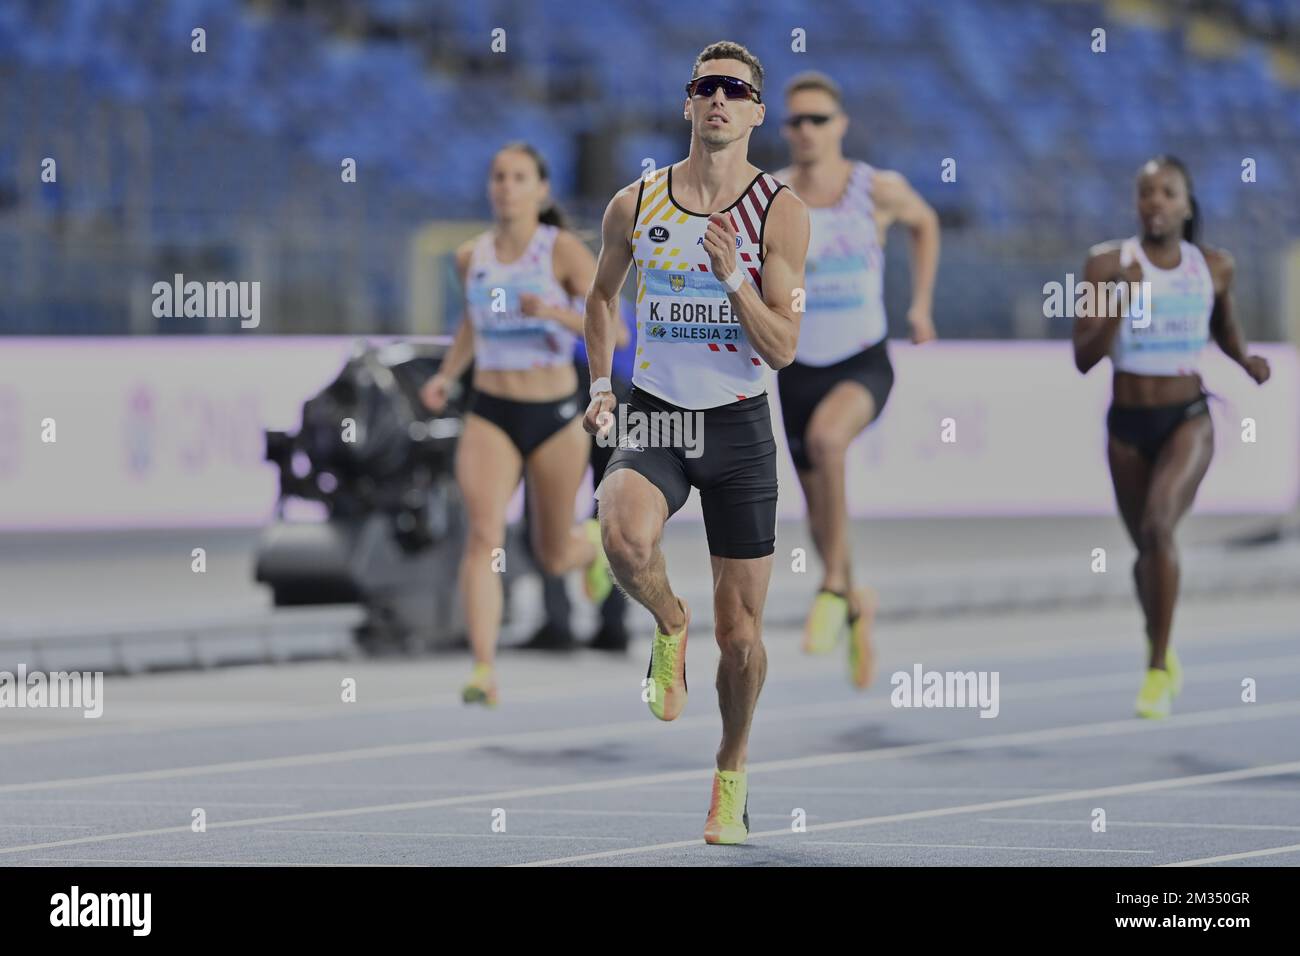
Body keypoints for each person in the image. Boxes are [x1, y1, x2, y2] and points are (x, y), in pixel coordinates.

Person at [583, 41, 809, 844]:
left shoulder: (778, 211)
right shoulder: (635, 203)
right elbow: (601, 297)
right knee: (620, 530)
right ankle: (671, 623)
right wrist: (601, 386)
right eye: (706, 87)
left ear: (754, 112)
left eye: (735, 90)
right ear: (687, 105)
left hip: (740, 424)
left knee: (743, 637)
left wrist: (734, 282)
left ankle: (731, 774)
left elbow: (782, 349)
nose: (718, 100)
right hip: (659, 412)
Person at [1072, 155, 1270, 719]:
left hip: (1188, 418)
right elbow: (1084, 357)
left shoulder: (1214, 266)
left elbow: (1224, 326)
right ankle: (1158, 637)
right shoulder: (1105, 263)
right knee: (1145, 552)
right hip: (1127, 426)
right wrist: (1117, 300)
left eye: (1166, 193)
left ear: (1186, 204)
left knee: (1160, 526)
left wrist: (1246, 359)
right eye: (1145, 193)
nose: (1154, 202)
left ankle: (1157, 668)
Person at [421, 142, 613, 707]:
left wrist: (551, 311)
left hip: (554, 415)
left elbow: (614, 333)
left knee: (552, 553)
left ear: (541, 189)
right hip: (491, 411)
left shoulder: (564, 252)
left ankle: (595, 548)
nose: (507, 186)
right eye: (499, 176)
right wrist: (447, 376)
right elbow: (471, 324)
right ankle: (484, 668)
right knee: (483, 536)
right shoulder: (470, 256)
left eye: (519, 177)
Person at [774, 71, 940, 687]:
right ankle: (853, 597)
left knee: (827, 441)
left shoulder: (876, 189)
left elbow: (926, 224)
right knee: (818, 505)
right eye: (796, 121)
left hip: (862, 359)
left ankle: (831, 586)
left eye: (818, 119)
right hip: (797, 367)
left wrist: (920, 303)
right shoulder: (774, 195)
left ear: (840, 125)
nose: (807, 130)